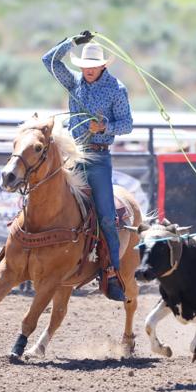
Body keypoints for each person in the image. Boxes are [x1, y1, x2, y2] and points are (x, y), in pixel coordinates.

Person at [41, 30, 133, 302]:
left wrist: (105, 126)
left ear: (103, 65)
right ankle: (26, 255)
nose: (88, 70)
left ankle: (113, 273)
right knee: (46, 197)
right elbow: (49, 61)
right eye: (85, 66)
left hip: (99, 158)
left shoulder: (116, 89)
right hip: (72, 154)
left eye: (93, 66)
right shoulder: (74, 83)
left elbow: (127, 124)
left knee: (106, 215)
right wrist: (72, 42)